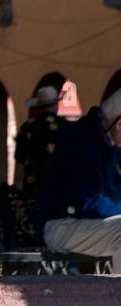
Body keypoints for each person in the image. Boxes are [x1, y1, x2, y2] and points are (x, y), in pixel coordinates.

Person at [39, 88, 121, 272]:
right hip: (62, 226)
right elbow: (89, 203)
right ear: (119, 124)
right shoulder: (85, 140)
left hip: (81, 223)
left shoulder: (104, 140)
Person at [14, 85, 62, 203]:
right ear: (56, 105)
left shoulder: (27, 128)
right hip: (61, 188)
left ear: (38, 107)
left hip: (33, 189)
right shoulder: (66, 127)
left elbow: (20, 163)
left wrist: (17, 192)